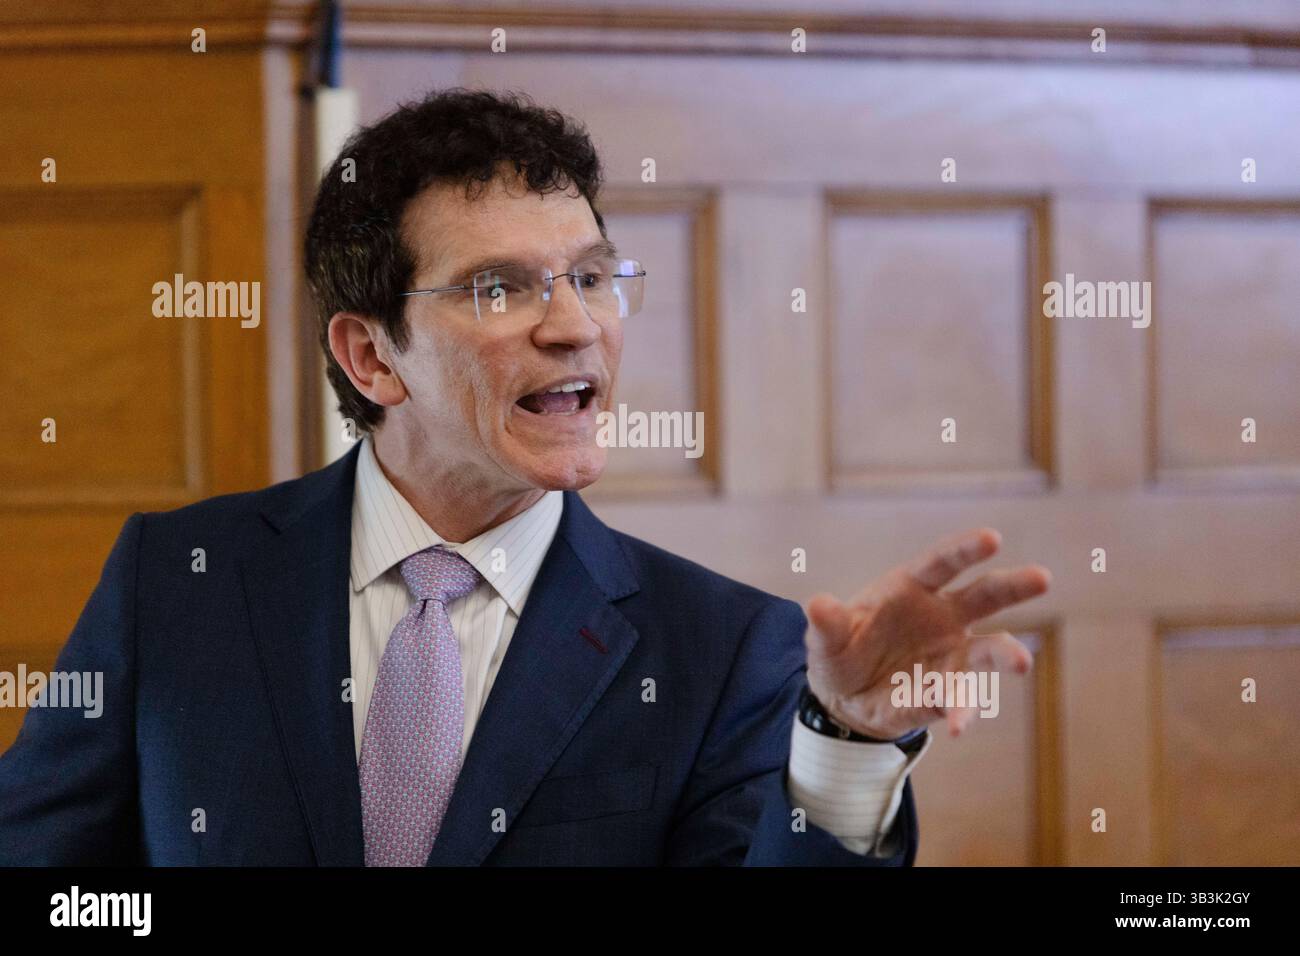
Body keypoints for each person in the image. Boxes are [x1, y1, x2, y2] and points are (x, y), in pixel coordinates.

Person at [0, 88, 1049, 865]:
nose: (575, 324)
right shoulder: (175, 579)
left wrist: (847, 745)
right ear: (372, 356)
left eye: (592, 275)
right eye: (500, 287)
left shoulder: (730, 650)